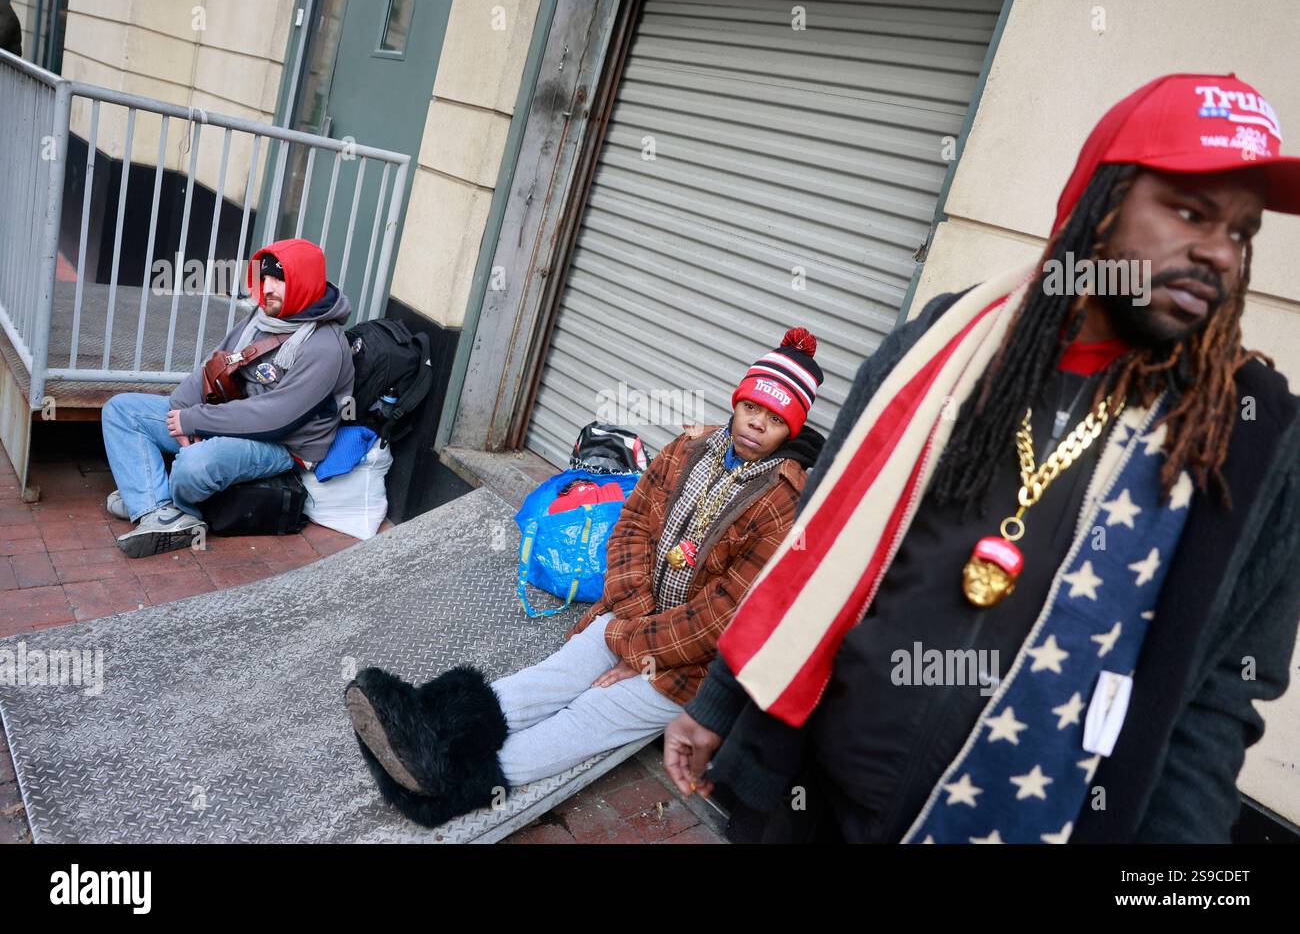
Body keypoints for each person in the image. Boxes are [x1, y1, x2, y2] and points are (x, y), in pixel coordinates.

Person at [664, 72, 1300, 844]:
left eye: (1241, 232)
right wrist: (720, 703)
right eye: (1189, 211)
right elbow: (817, 533)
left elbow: (1223, 697)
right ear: (1096, 205)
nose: (1218, 254)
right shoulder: (947, 342)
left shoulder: (1252, 437)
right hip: (812, 804)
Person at [344, 328, 827, 827]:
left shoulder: (781, 505)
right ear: (739, 400)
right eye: (753, 408)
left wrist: (634, 647)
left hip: (689, 669)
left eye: (774, 420)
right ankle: (423, 722)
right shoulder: (690, 448)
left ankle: (448, 788)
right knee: (552, 679)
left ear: (790, 430)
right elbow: (632, 527)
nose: (757, 426)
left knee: (586, 719)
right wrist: (631, 623)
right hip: (631, 613)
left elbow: (723, 619)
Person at [101, 238, 355, 558]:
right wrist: (181, 412)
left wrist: (196, 420)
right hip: (232, 421)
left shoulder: (325, 345)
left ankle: (153, 496)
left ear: (305, 283)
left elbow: (275, 418)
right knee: (121, 411)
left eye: (280, 280)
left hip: (283, 446)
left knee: (193, 465)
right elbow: (214, 365)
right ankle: (155, 507)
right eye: (265, 278)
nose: (269, 287)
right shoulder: (263, 317)